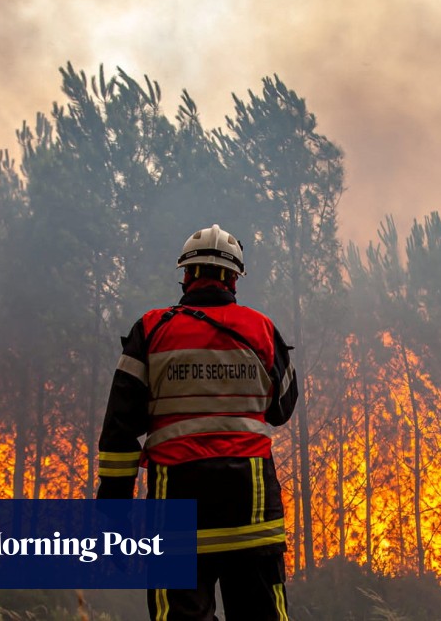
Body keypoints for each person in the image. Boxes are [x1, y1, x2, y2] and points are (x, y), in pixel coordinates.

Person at [96, 224, 298, 621]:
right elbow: (282, 409)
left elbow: (119, 432)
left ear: (187, 275)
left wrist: (114, 513)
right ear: (235, 279)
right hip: (252, 512)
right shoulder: (262, 330)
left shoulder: (151, 330)